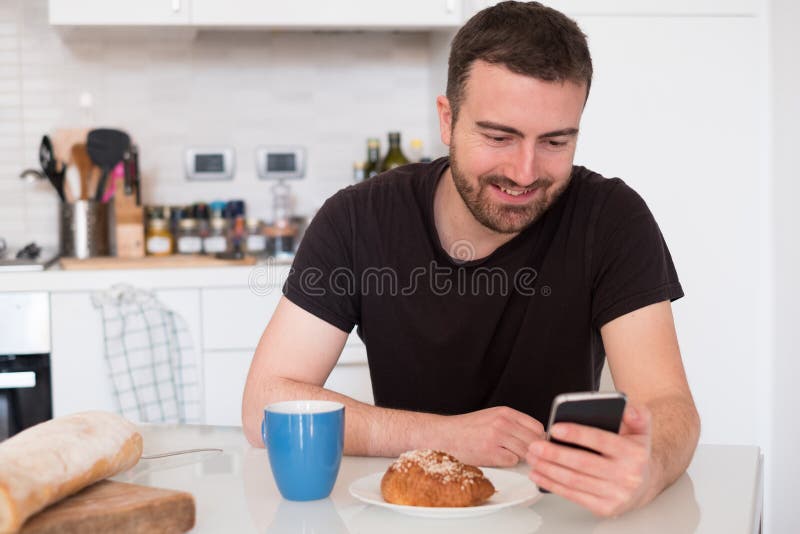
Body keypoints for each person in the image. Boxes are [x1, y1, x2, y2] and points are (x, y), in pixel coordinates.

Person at [242, 0, 700, 518]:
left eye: (554, 141)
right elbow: (264, 403)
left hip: (557, 516)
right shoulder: (357, 218)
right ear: (447, 118)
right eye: (499, 136)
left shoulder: (612, 218)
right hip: (403, 517)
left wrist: (650, 467)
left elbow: (670, 405)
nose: (525, 171)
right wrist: (445, 436)